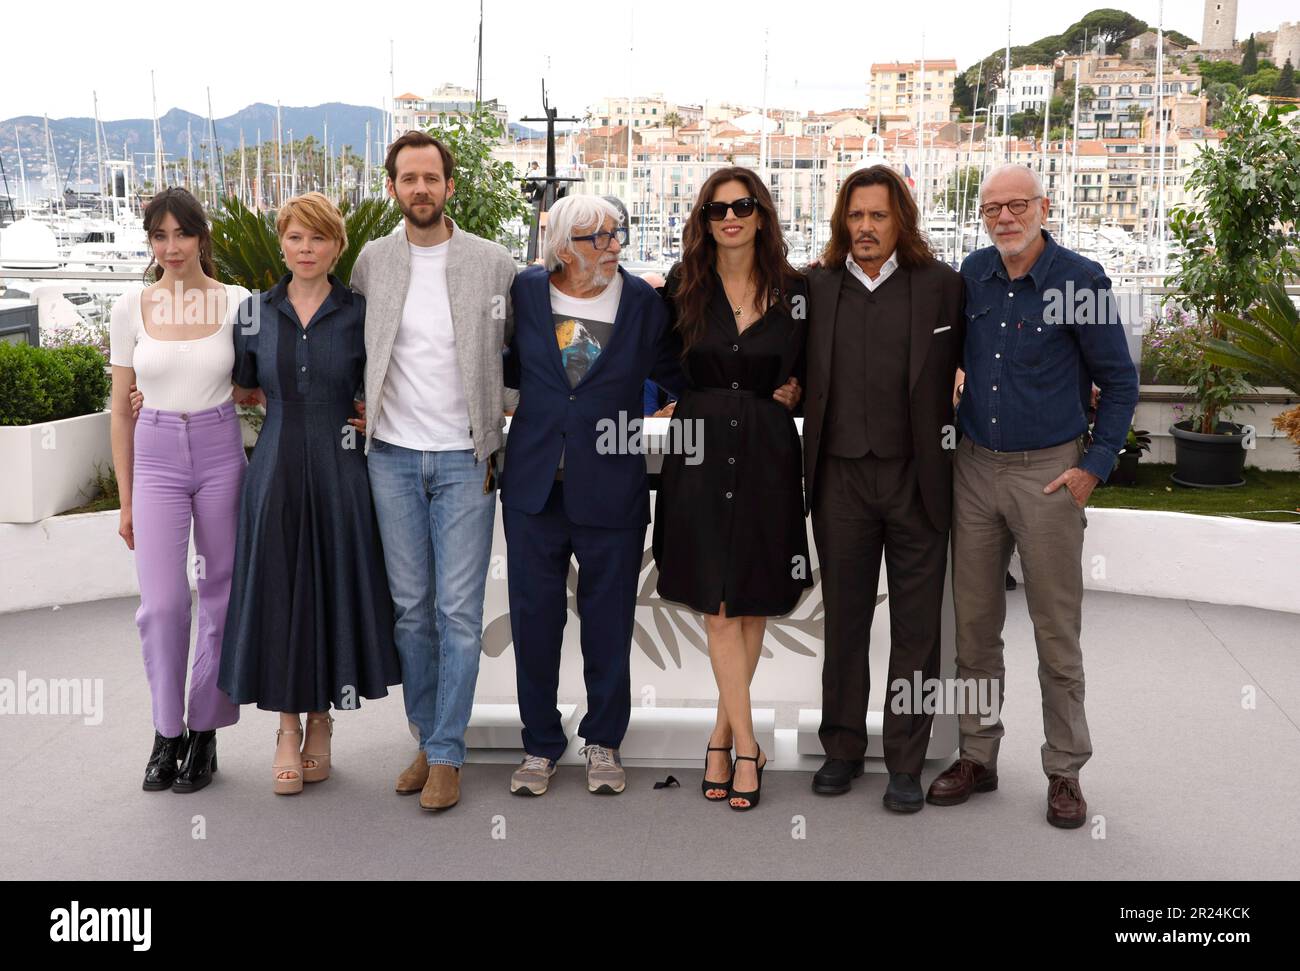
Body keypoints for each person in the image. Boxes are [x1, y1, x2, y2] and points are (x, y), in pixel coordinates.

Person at [925, 164, 1138, 828]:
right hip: (974, 468)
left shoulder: (1080, 280)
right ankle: (978, 753)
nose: (1005, 217)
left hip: (1050, 473)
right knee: (975, 629)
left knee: (1054, 631)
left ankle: (1065, 769)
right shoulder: (973, 275)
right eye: (993, 208)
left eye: (1018, 205)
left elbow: (1120, 381)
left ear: (1044, 206)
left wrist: (1092, 467)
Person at [349, 131, 518, 812]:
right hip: (389, 456)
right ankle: (427, 734)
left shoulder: (492, 262)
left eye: (431, 177)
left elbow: (523, 352)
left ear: (449, 186)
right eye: (407, 178)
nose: (420, 188)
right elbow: (343, 339)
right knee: (411, 612)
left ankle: (447, 751)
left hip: (465, 459)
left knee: (457, 611)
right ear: (392, 187)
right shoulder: (370, 262)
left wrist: (503, 408)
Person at [217, 192, 402, 795]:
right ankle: (286, 728)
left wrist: (376, 418)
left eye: (318, 238)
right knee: (280, 592)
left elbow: (390, 380)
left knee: (331, 589)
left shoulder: (360, 310)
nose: (306, 249)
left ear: (337, 246)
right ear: (282, 242)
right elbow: (241, 388)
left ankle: (323, 723)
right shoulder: (252, 311)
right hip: (272, 471)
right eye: (295, 238)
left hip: (341, 470)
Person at [501, 195, 685, 797]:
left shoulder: (644, 303)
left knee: (608, 622)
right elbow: (500, 369)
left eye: (616, 234)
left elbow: (683, 372)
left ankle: (604, 741)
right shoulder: (525, 293)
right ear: (559, 244)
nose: (611, 246)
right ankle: (539, 744)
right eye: (594, 238)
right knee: (535, 622)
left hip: (612, 486)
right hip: (533, 487)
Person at [803, 165, 965, 813]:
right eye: (855, 215)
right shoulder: (813, 288)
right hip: (839, 477)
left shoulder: (944, 287)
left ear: (901, 219)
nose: (865, 227)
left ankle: (905, 760)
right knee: (843, 620)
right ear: (843, 221)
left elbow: (981, 361)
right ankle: (842, 747)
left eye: (878, 215)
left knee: (917, 631)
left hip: (918, 479)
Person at [652, 166, 807, 811]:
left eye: (742, 206)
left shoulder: (798, 292)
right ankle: (748, 748)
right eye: (717, 210)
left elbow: (819, 363)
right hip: (701, 451)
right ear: (704, 220)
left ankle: (720, 736)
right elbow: (655, 367)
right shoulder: (680, 289)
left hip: (769, 451)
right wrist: (668, 401)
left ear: (763, 213)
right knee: (718, 605)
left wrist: (799, 388)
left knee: (748, 602)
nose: (730, 218)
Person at [109, 187, 250, 793]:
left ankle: (205, 731)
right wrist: (126, 497)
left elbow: (260, 385)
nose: (170, 248)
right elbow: (120, 411)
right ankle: (166, 732)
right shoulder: (129, 308)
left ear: (201, 237)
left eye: (181, 235)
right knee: (163, 604)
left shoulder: (241, 303)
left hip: (221, 449)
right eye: (159, 236)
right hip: (157, 455)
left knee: (220, 595)